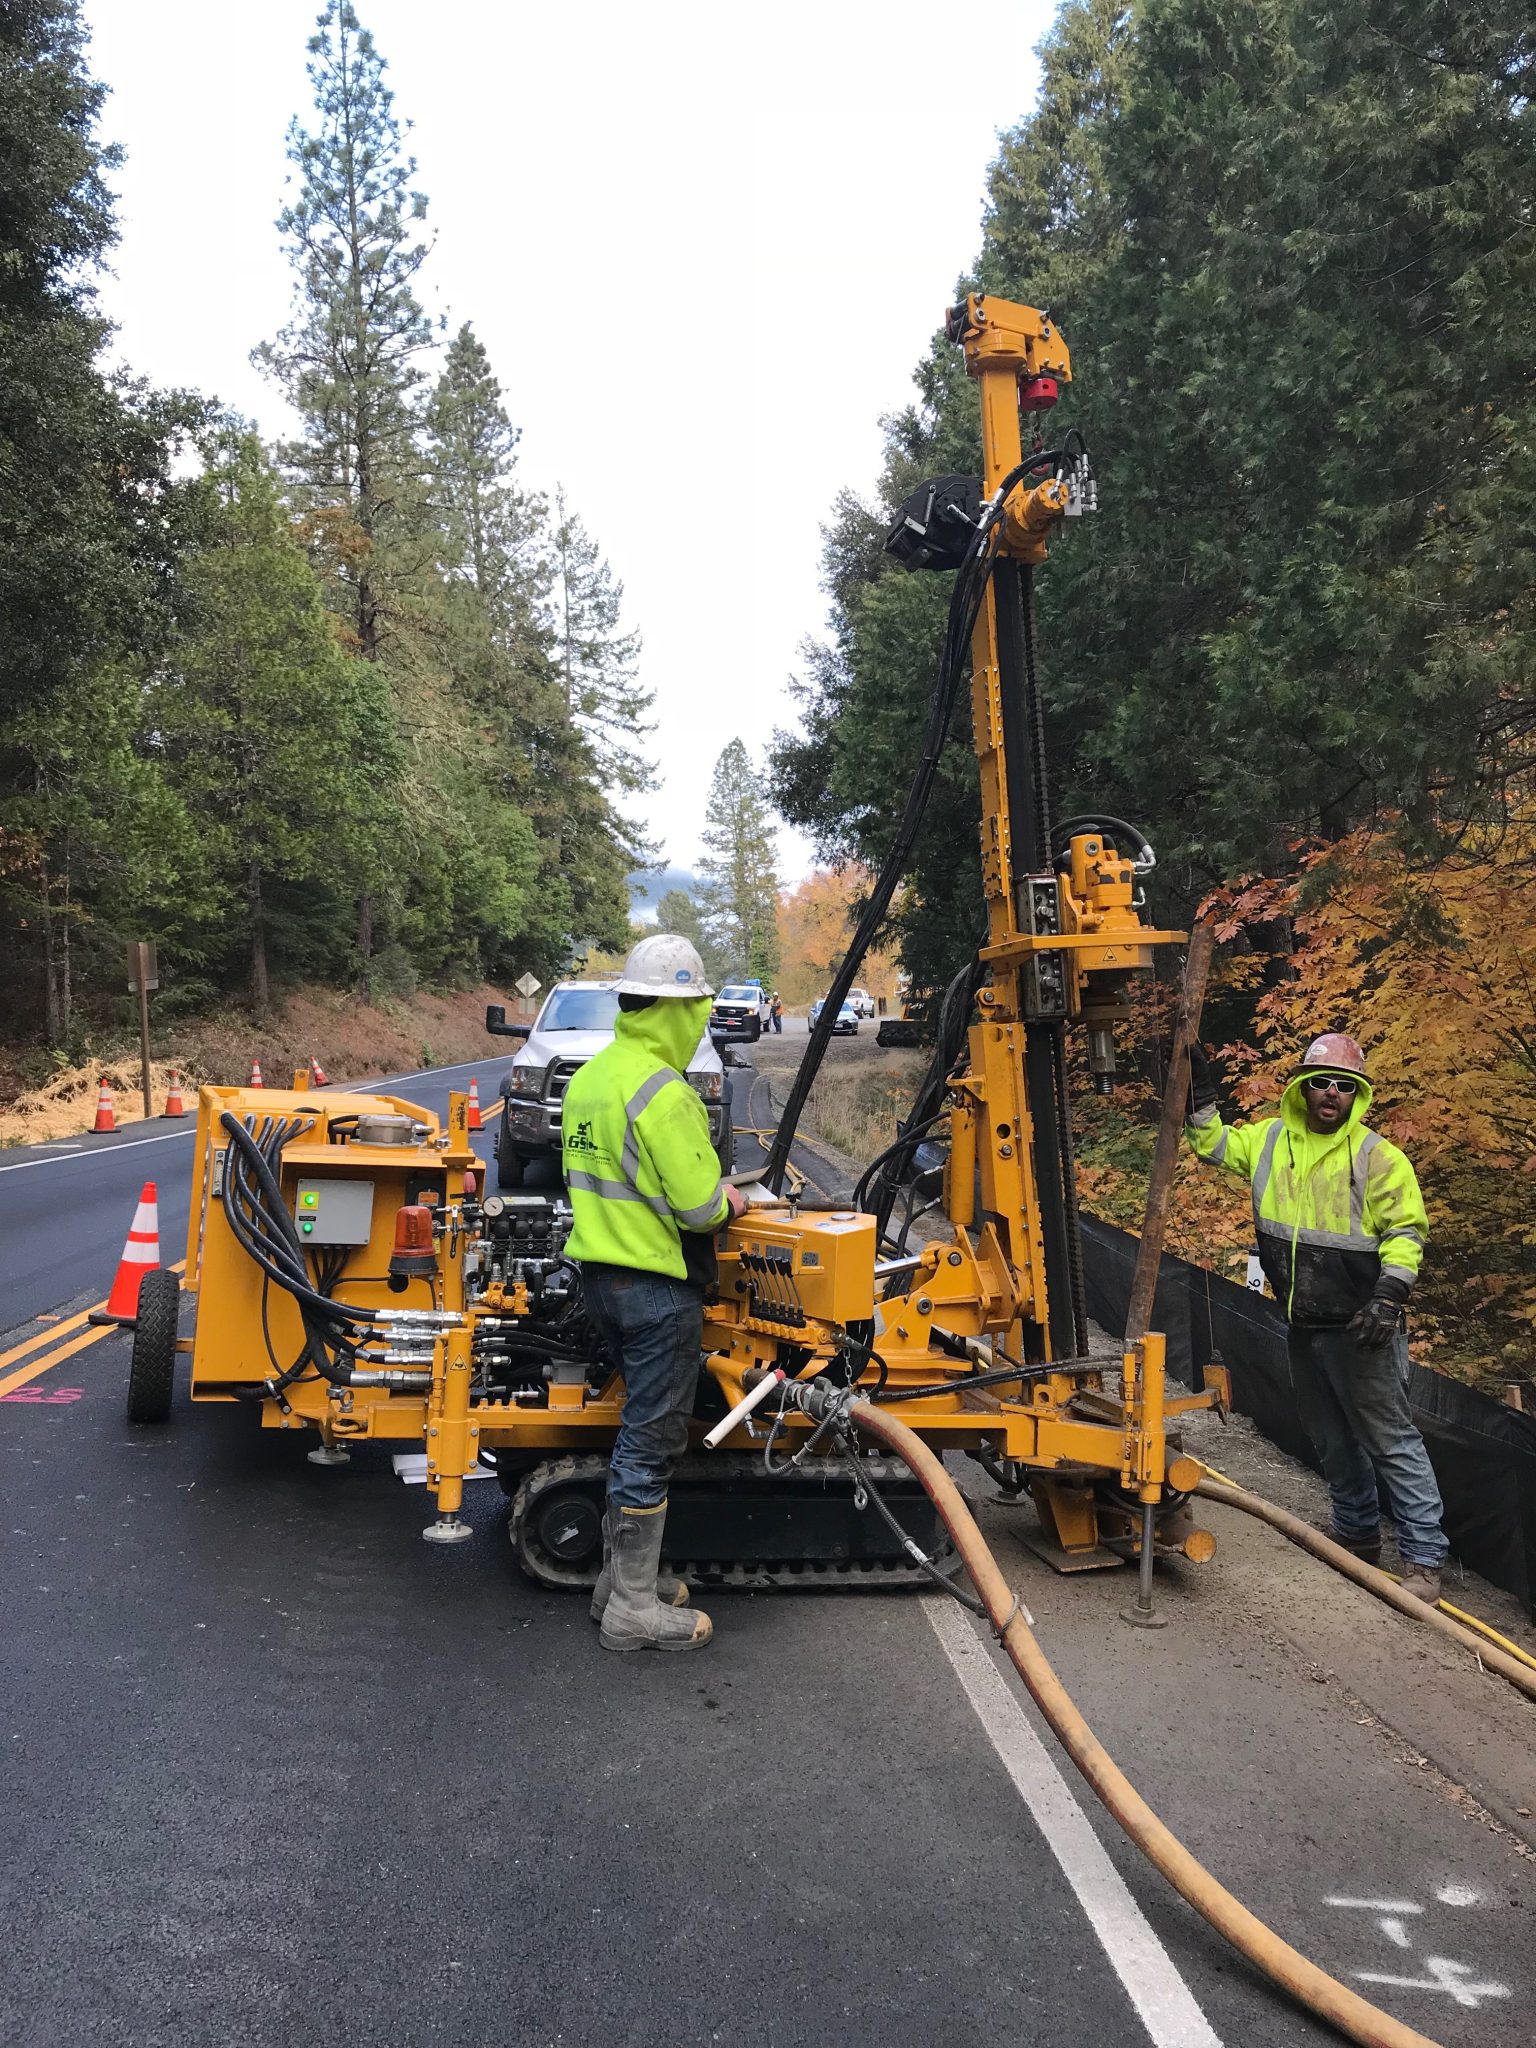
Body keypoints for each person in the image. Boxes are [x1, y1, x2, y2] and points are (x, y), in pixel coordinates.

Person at [1185, 1031, 1449, 1602]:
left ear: (1358, 1096)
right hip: (1304, 1323)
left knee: (1390, 1441)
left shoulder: (1378, 1157)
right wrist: (1198, 1094)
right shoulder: (1269, 1141)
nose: (1332, 1093)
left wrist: (1388, 1298)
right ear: (1303, 1088)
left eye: (1345, 1086)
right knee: (1331, 1438)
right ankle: (1355, 1538)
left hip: (1363, 1328)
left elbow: (1407, 1233)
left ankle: (1424, 1559)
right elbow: (1210, 1144)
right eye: (1322, 1082)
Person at [561, 933, 746, 1653]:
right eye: (697, 1006)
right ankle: (634, 1609)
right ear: (680, 1010)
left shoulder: (593, 1076)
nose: (701, 1019)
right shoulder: (662, 1092)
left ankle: (619, 1583)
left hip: (602, 1279)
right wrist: (733, 1201)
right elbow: (700, 1209)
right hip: (658, 1290)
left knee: (634, 1433)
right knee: (652, 1442)